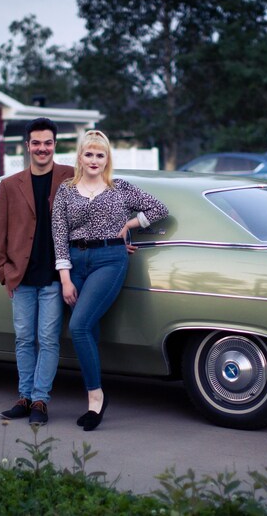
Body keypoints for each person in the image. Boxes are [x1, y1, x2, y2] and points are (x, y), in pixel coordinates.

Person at [52, 130, 168, 431]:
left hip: (110, 259)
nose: (94, 160)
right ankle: (98, 387)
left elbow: (159, 209)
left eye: (100, 155)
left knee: (78, 325)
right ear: (80, 157)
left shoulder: (120, 188)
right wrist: (65, 278)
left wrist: (129, 223)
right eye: (88, 154)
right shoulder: (66, 190)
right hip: (75, 262)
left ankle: (95, 396)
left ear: (107, 159)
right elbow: (59, 235)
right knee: (87, 327)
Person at [0, 117, 75, 426]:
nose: (42, 148)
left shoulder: (70, 178)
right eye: (36, 143)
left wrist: (121, 235)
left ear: (55, 145)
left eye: (48, 143)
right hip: (21, 277)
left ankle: (41, 400)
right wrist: (3, 271)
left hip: (55, 277)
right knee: (24, 339)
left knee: (49, 340)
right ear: (27, 146)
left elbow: (98, 203)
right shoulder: (10, 185)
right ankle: (23, 398)